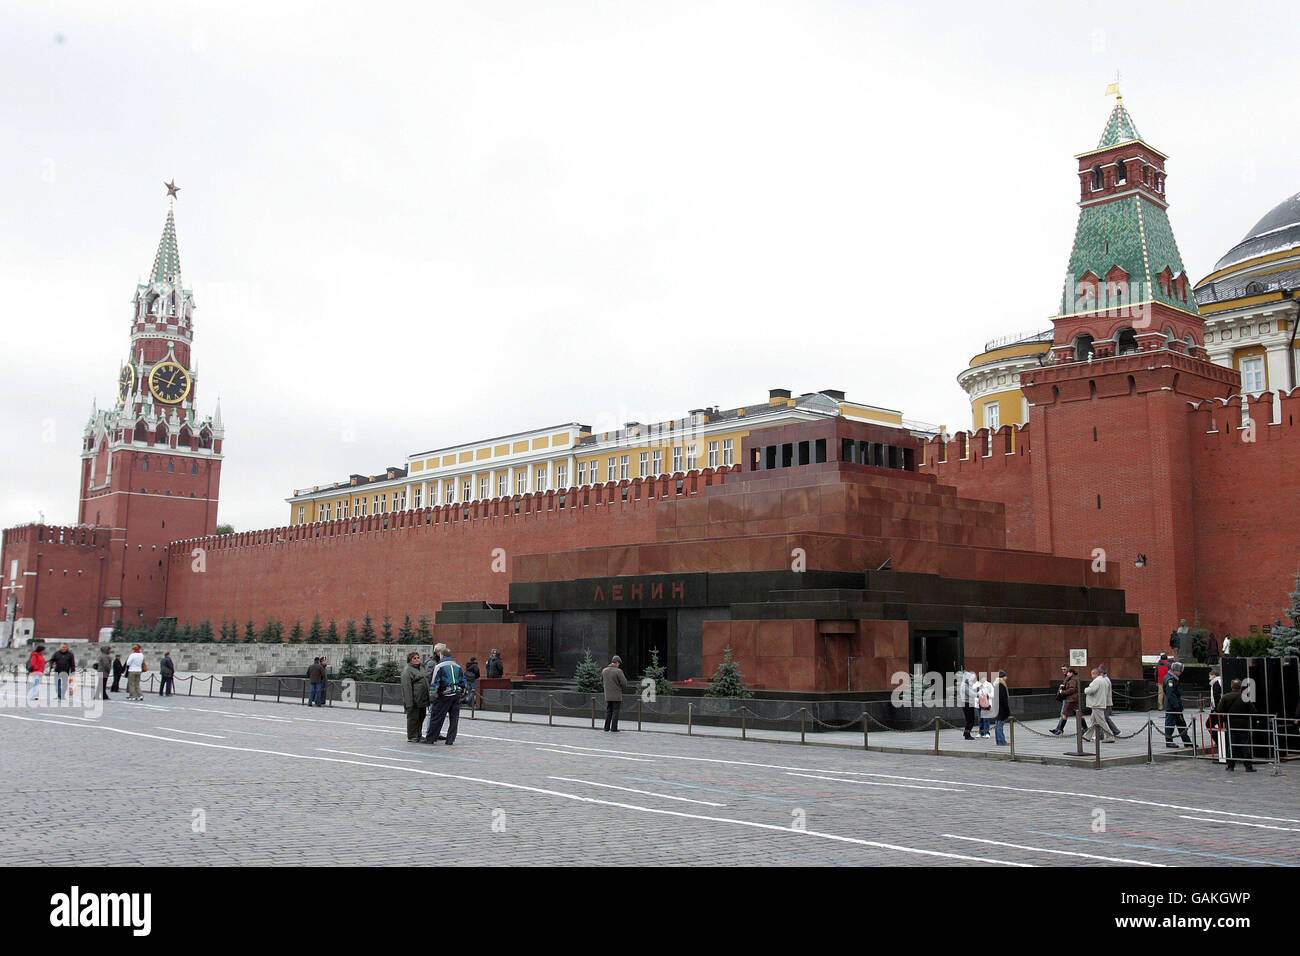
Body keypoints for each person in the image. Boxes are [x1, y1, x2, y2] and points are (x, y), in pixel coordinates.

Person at [425, 646, 465, 745]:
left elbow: (435, 683)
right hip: (456, 695)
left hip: (443, 695)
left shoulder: (439, 667)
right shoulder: (458, 666)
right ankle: (450, 739)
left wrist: (432, 696)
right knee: (454, 719)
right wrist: (461, 693)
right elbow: (463, 682)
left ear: (441, 655)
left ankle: (431, 738)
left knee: (437, 717)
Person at [1218, 678, 1257, 772]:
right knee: (1245, 746)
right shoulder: (1245, 697)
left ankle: (1230, 766)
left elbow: (1219, 710)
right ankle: (1248, 766)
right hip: (1244, 725)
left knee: (1231, 746)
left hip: (1231, 724)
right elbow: (1253, 711)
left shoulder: (1226, 697)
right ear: (1240, 687)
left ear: (1231, 686)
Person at [399, 651, 430, 743]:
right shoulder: (407, 670)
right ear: (410, 660)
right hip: (414, 699)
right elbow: (406, 688)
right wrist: (409, 703)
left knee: (421, 717)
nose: (417, 660)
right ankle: (412, 736)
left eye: (418, 658)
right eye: (414, 658)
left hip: (423, 699)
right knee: (413, 718)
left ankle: (418, 734)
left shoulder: (421, 668)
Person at [1162, 661, 1194, 748]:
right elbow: (1170, 694)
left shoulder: (1172, 678)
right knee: (1170, 724)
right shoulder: (1170, 680)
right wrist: (1176, 705)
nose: (1181, 673)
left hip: (1175, 706)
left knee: (1182, 724)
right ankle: (1169, 741)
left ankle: (1187, 742)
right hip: (1172, 706)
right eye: (1180, 671)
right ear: (1175, 670)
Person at [1082, 667, 1115, 743]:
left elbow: (1090, 690)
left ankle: (1110, 736)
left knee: (1101, 721)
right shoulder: (1104, 680)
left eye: (1092, 674)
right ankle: (1087, 736)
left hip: (1096, 704)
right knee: (1093, 721)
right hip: (1100, 702)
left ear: (1094, 674)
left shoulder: (1096, 681)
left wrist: (1085, 689)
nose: (1091, 676)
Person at [601, 655, 630, 732]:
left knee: (608, 711)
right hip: (616, 695)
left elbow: (601, 681)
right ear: (616, 662)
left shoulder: (604, 670)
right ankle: (614, 728)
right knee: (615, 712)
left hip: (607, 695)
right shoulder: (618, 671)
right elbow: (624, 683)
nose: (619, 665)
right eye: (619, 663)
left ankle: (606, 728)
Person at [1050, 667, 1079, 736]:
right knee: (1077, 714)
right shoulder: (1071, 679)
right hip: (1072, 699)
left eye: (1068, 672)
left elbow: (1071, 689)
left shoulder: (1072, 680)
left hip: (1071, 699)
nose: (1066, 673)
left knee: (1064, 714)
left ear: (1071, 673)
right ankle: (1059, 729)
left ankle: (1060, 729)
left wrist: (1062, 692)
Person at [1097, 664, 1122, 737]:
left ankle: (1100, 735)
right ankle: (1116, 731)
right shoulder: (1106, 679)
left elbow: (1104, 692)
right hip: (1106, 702)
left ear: (1102, 673)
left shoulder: (1104, 680)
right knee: (1105, 718)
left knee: (1102, 719)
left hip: (1105, 703)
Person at [956, 668, 977, 740]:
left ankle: (966, 733)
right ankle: (967, 735)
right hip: (966, 704)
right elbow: (971, 693)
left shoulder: (967, 684)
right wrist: (978, 694)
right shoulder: (964, 685)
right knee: (970, 720)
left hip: (969, 703)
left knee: (970, 719)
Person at [993, 671, 1011, 746]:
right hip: (1001, 709)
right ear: (1002, 677)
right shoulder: (1001, 686)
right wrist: (1007, 711)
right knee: (999, 725)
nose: (1006, 678)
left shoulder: (996, 685)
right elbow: (1004, 700)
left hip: (997, 708)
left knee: (998, 724)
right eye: (1005, 676)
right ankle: (1001, 741)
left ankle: (999, 741)